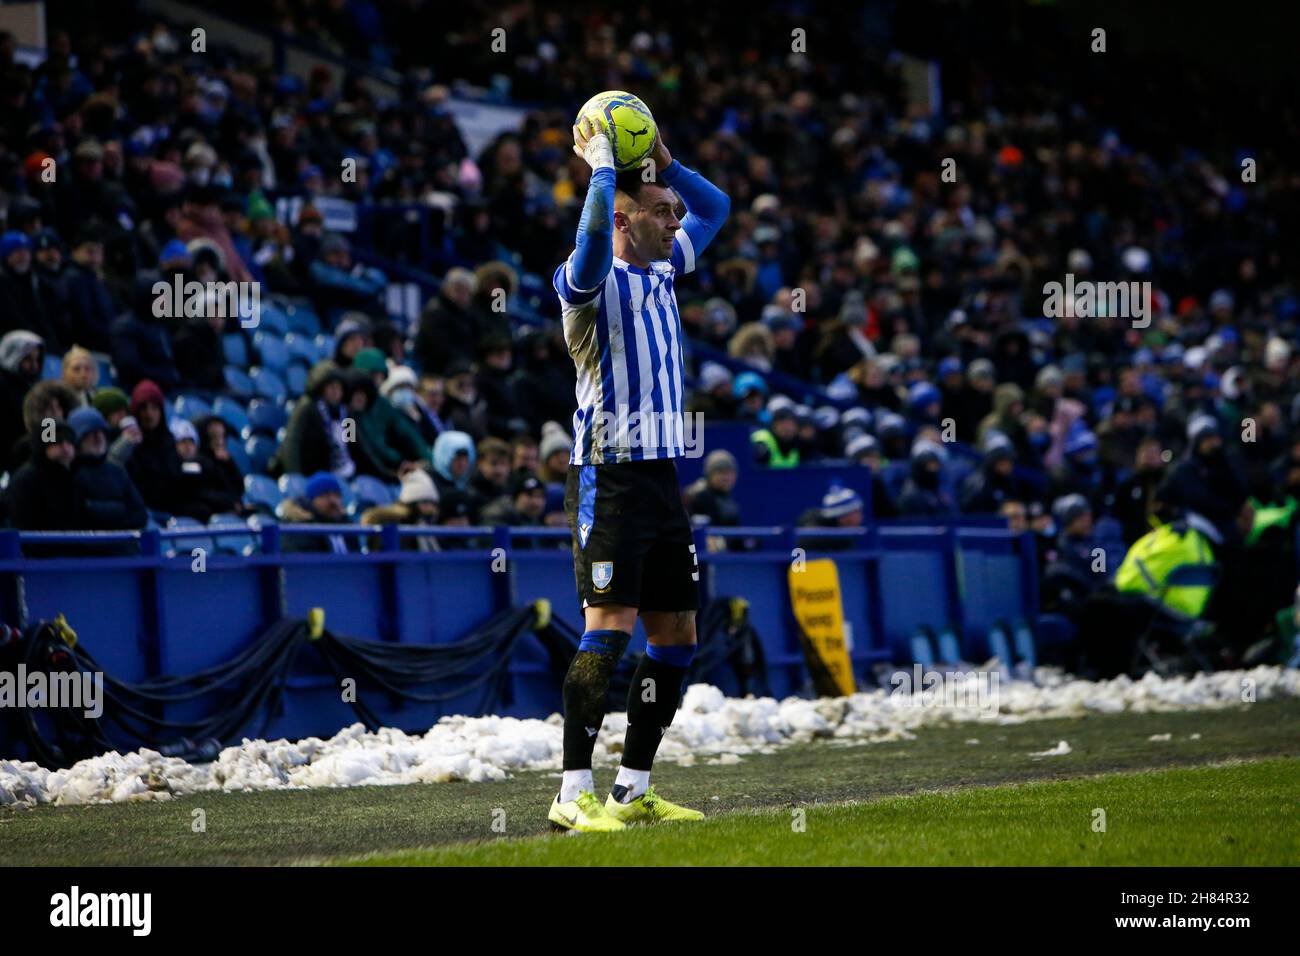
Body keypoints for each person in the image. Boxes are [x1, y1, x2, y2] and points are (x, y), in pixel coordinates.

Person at [547, 120, 728, 831]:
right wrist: (600, 170)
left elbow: (718, 209)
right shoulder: (585, 281)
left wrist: (669, 168)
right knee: (609, 628)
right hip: (609, 476)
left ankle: (632, 787)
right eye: (661, 211)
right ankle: (569, 794)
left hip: (660, 477)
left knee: (677, 634)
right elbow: (592, 242)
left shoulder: (666, 267)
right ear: (624, 217)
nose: (676, 218)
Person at [68, 406, 147, 533]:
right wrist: (119, 510)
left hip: (124, 546)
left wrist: (97, 510)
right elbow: (78, 516)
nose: (98, 438)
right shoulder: (71, 473)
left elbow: (140, 515)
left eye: (101, 432)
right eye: (91, 434)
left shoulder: (116, 470)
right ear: (78, 439)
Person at [5, 417, 77, 536]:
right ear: (43, 445)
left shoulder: (71, 475)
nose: (65, 447)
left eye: (69, 441)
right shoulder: (26, 479)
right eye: (57, 441)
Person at [279, 471, 362, 554]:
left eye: (337, 495)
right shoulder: (299, 529)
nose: (333, 501)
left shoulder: (347, 527)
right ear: (311, 500)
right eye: (325, 495)